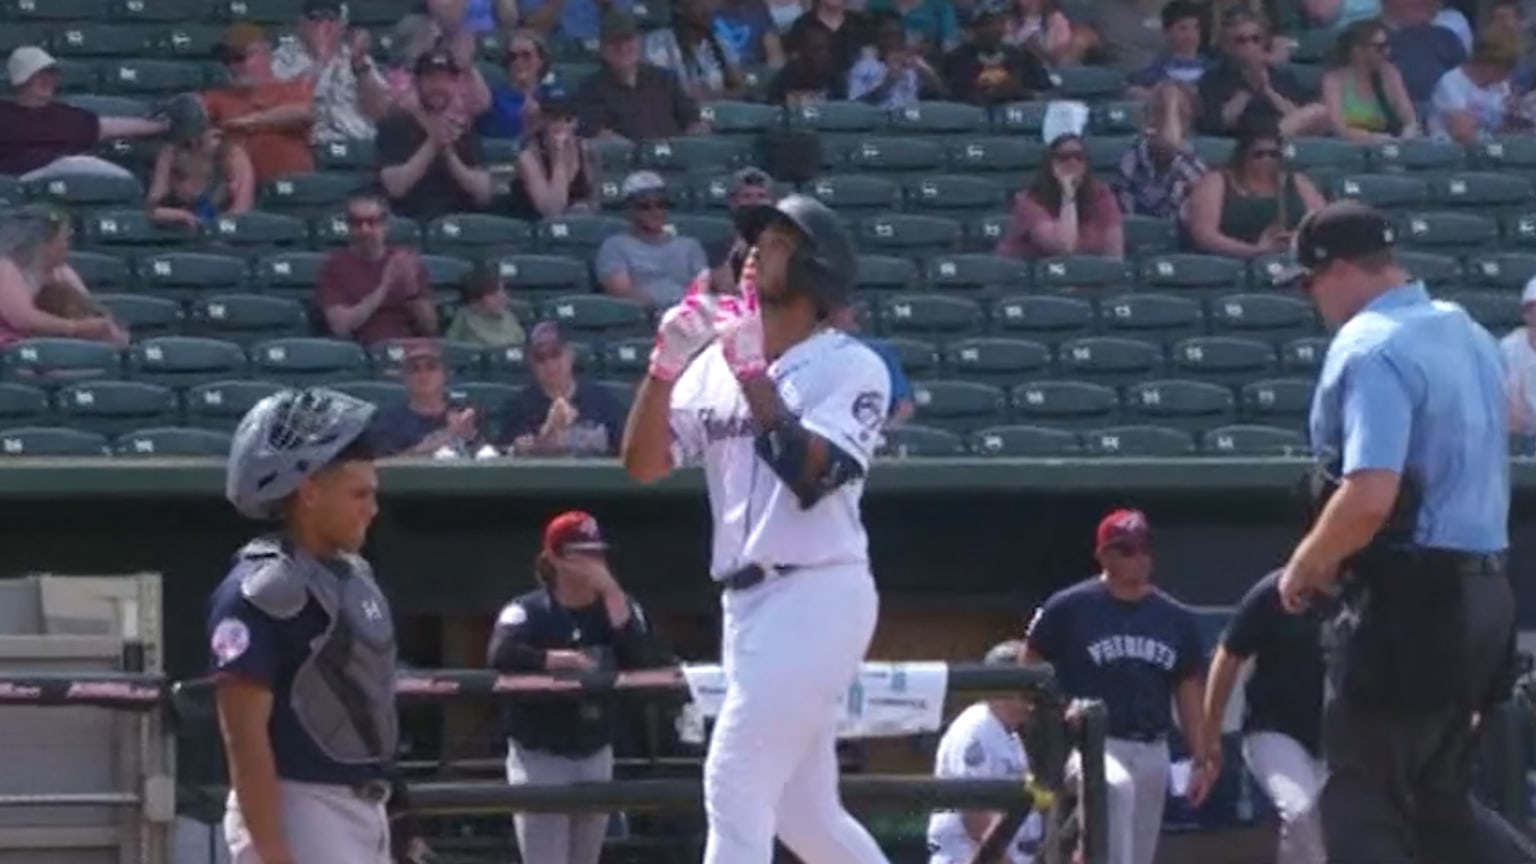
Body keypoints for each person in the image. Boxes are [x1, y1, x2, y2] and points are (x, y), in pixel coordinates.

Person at [620, 194, 893, 864]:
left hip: (817, 590)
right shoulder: (716, 361)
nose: (749, 255)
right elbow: (643, 465)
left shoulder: (850, 365)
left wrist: (750, 374)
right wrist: (662, 372)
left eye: (774, 240)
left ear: (816, 270)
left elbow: (810, 474)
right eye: (754, 239)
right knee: (807, 817)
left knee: (734, 778)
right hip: (745, 603)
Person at [1271, 200, 1536, 864]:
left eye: (1308, 283)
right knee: (1435, 802)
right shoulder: (1468, 330)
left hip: (1412, 600)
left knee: (1360, 802)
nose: (1312, 299)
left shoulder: (1370, 343)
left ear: (1334, 270)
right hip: (1486, 597)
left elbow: (1369, 496)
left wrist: (1307, 562)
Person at [208, 387, 398, 863]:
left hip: (363, 806)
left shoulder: (351, 576)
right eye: (358, 494)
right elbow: (244, 741)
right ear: (309, 492)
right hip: (299, 807)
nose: (371, 509)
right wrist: (273, 853)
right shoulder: (261, 589)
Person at [1022, 508, 1212, 864]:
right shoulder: (1070, 607)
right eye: (1126, 549)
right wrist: (1055, 715)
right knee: (1115, 791)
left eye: (1144, 549)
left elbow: (1187, 688)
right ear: (1103, 554)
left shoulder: (1174, 617)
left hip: (1152, 746)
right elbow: (1030, 661)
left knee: (1137, 855)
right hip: (1092, 745)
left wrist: (1200, 757)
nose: (1138, 558)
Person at [487, 510, 667, 864]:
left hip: (594, 748)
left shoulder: (617, 607)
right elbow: (499, 654)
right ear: (554, 558)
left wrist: (613, 592)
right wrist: (548, 660)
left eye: (596, 553)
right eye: (580, 554)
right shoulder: (529, 610)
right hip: (540, 752)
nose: (591, 564)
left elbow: (644, 660)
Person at [1195, 568, 1326, 864]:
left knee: (1333, 828)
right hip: (1274, 729)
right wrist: (1210, 738)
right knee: (1300, 809)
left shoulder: (1362, 590)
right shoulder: (1277, 590)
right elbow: (1228, 656)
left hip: (1343, 735)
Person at [925, 640, 1044, 864]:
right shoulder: (976, 727)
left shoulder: (1010, 735)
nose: (1031, 701)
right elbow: (974, 814)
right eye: (1025, 691)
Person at [376, 49, 495, 221]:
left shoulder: (464, 129)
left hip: (458, 223)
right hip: (409, 222)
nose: (438, 86)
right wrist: (431, 145)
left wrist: (449, 154)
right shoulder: (396, 126)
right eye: (431, 78)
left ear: (455, 84)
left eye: (445, 79)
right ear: (416, 82)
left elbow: (484, 193)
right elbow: (394, 187)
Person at [1182, 119, 1326, 260]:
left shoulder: (1295, 181)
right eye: (1259, 154)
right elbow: (1204, 235)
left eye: (1273, 154)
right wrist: (1256, 251)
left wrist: (1295, 239)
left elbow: (1323, 223)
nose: (1267, 159)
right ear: (1243, 155)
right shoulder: (1217, 182)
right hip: (1231, 261)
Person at [203, 23, 317, 184]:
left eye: (240, 57)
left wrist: (249, 121)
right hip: (237, 187)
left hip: (293, 186)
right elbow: (188, 114)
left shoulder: (289, 89)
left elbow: (304, 112)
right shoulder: (216, 96)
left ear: (265, 55)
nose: (233, 66)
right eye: (227, 60)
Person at [318, 193, 438, 345]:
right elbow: (341, 327)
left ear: (385, 225)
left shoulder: (406, 262)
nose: (365, 230)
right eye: (357, 223)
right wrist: (385, 286)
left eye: (372, 222)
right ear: (348, 227)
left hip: (407, 348)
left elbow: (430, 328)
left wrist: (411, 291)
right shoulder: (335, 265)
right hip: (359, 349)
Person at [0, 206, 126, 348]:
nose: (68, 245)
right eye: (64, 239)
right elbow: (23, 319)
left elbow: (87, 306)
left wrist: (109, 329)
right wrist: (76, 328)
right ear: (44, 243)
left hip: (56, 347)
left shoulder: (63, 271)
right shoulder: (6, 268)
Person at [497, 321, 626, 457]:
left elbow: (625, 451)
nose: (550, 364)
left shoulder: (602, 400)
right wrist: (517, 450)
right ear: (531, 364)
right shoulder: (518, 408)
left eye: (556, 353)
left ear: (570, 354)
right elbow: (502, 458)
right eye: (540, 358)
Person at [1197, 10, 1327, 138]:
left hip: (1282, 134)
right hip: (1242, 138)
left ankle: (1270, 139)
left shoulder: (1281, 76)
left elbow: (1297, 116)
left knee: (1318, 111)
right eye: (1241, 40)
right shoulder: (1212, 79)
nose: (1250, 45)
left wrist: (1268, 91)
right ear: (1226, 46)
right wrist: (1247, 90)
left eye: (1256, 39)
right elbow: (1217, 124)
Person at [998, 129, 1125, 260]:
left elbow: (1114, 255)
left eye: (1079, 157)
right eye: (1064, 158)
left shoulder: (1101, 195)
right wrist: (1068, 193)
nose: (1072, 163)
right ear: (1050, 165)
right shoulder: (1029, 201)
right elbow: (1064, 248)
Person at [1113, 81, 1207, 220]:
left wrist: (1171, 104)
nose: (1167, 123)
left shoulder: (1194, 165)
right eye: (1159, 112)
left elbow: (1170, 145)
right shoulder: (1130, 160)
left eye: (1179, 115)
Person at [506, 82, 600, 220]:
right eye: (554, 118)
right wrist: (559, 158)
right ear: (543, 120)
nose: (560, 125)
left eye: (567, 118)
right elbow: (551, 210)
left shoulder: (586, 150)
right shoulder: (528, 156)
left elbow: (595, 200)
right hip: (534, 228)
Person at [368, 340, 479, 457]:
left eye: (431, 367)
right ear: (404, 378)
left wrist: (472, 438)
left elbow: (490, 459)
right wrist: (448, 434)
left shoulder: (466, 414)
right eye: (414, 369)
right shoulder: (389, 421)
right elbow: (387, 466)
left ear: (445, 375)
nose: (423, 374)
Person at [1321, 18, 1421, 141]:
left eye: (1387, 45)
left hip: (1386, 142)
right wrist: (1372, 138)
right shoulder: (1334, 79)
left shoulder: (1390, 73)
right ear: (1357, 50)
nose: (1387, 52)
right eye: (1379, 47)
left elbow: (1409, 118)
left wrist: (1408, 132)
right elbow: (1339, 127)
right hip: (1346, 147)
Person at [146, 125, 255, 228]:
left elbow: (241, 214)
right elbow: (152, 208)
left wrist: (216, 229)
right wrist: (170, 215)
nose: (215, 140)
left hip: (220, 237)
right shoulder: (170, 154)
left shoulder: (232, 157)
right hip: (178, 237)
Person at [847, 12, 943, 109]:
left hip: (909, 120)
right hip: (873, 121)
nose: (893, 40)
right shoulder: (863, 67)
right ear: (878, 38)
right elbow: (856, 107)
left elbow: (939, 94)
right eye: (888, 35)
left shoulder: (912, 66)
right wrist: (887, 83)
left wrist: (926, 72)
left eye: (898, 35)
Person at [445, 269, 525, 349]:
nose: (503, 296)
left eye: (502, 290)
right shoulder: (463, 321)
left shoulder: (510, 319)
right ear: (475, 300)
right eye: (493, 293)